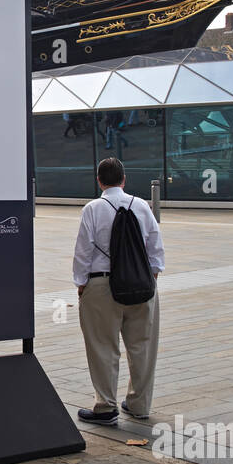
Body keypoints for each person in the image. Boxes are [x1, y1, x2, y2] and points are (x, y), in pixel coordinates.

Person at [72, 156, 164, 425]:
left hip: (101, 284)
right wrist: (151, 278)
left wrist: (82, 284)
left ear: (99, 181)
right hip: (141, 284)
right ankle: (139, 404)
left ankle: (106, 406)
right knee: (143, 346)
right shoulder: (142, 207)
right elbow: (156, 249)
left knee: (102, 346)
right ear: (124, 179)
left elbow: (83, 251)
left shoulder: (92, 208)